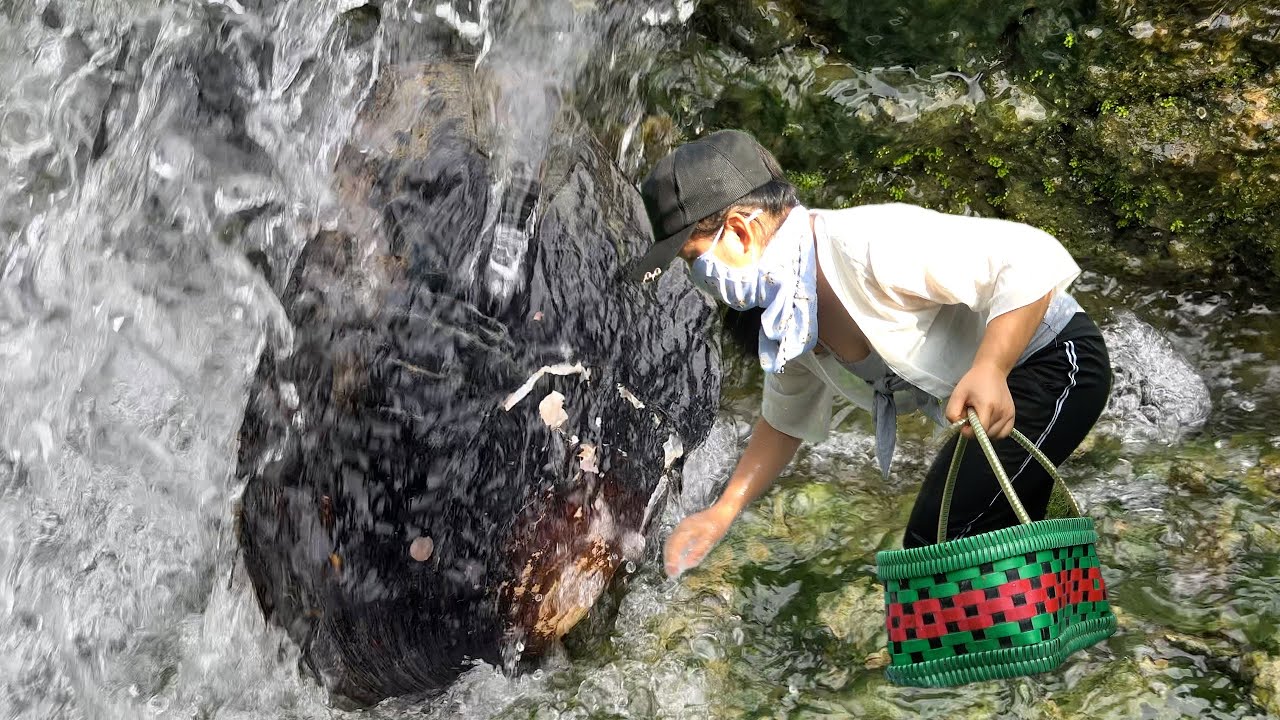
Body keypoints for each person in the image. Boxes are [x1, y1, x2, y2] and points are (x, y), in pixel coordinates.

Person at [628, 129, 1112, 577]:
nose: (697, 278)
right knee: (983, 533)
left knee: (937, 541)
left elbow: (1026, 258)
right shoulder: (790, 311)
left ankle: (980, 655)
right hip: (1008, 390)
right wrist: (721, 512)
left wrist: (992, 367)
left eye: (693, 260)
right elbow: (783, 419)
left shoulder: (868, 245)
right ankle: (1030, 642)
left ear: (739, 232)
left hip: (1055, 358)